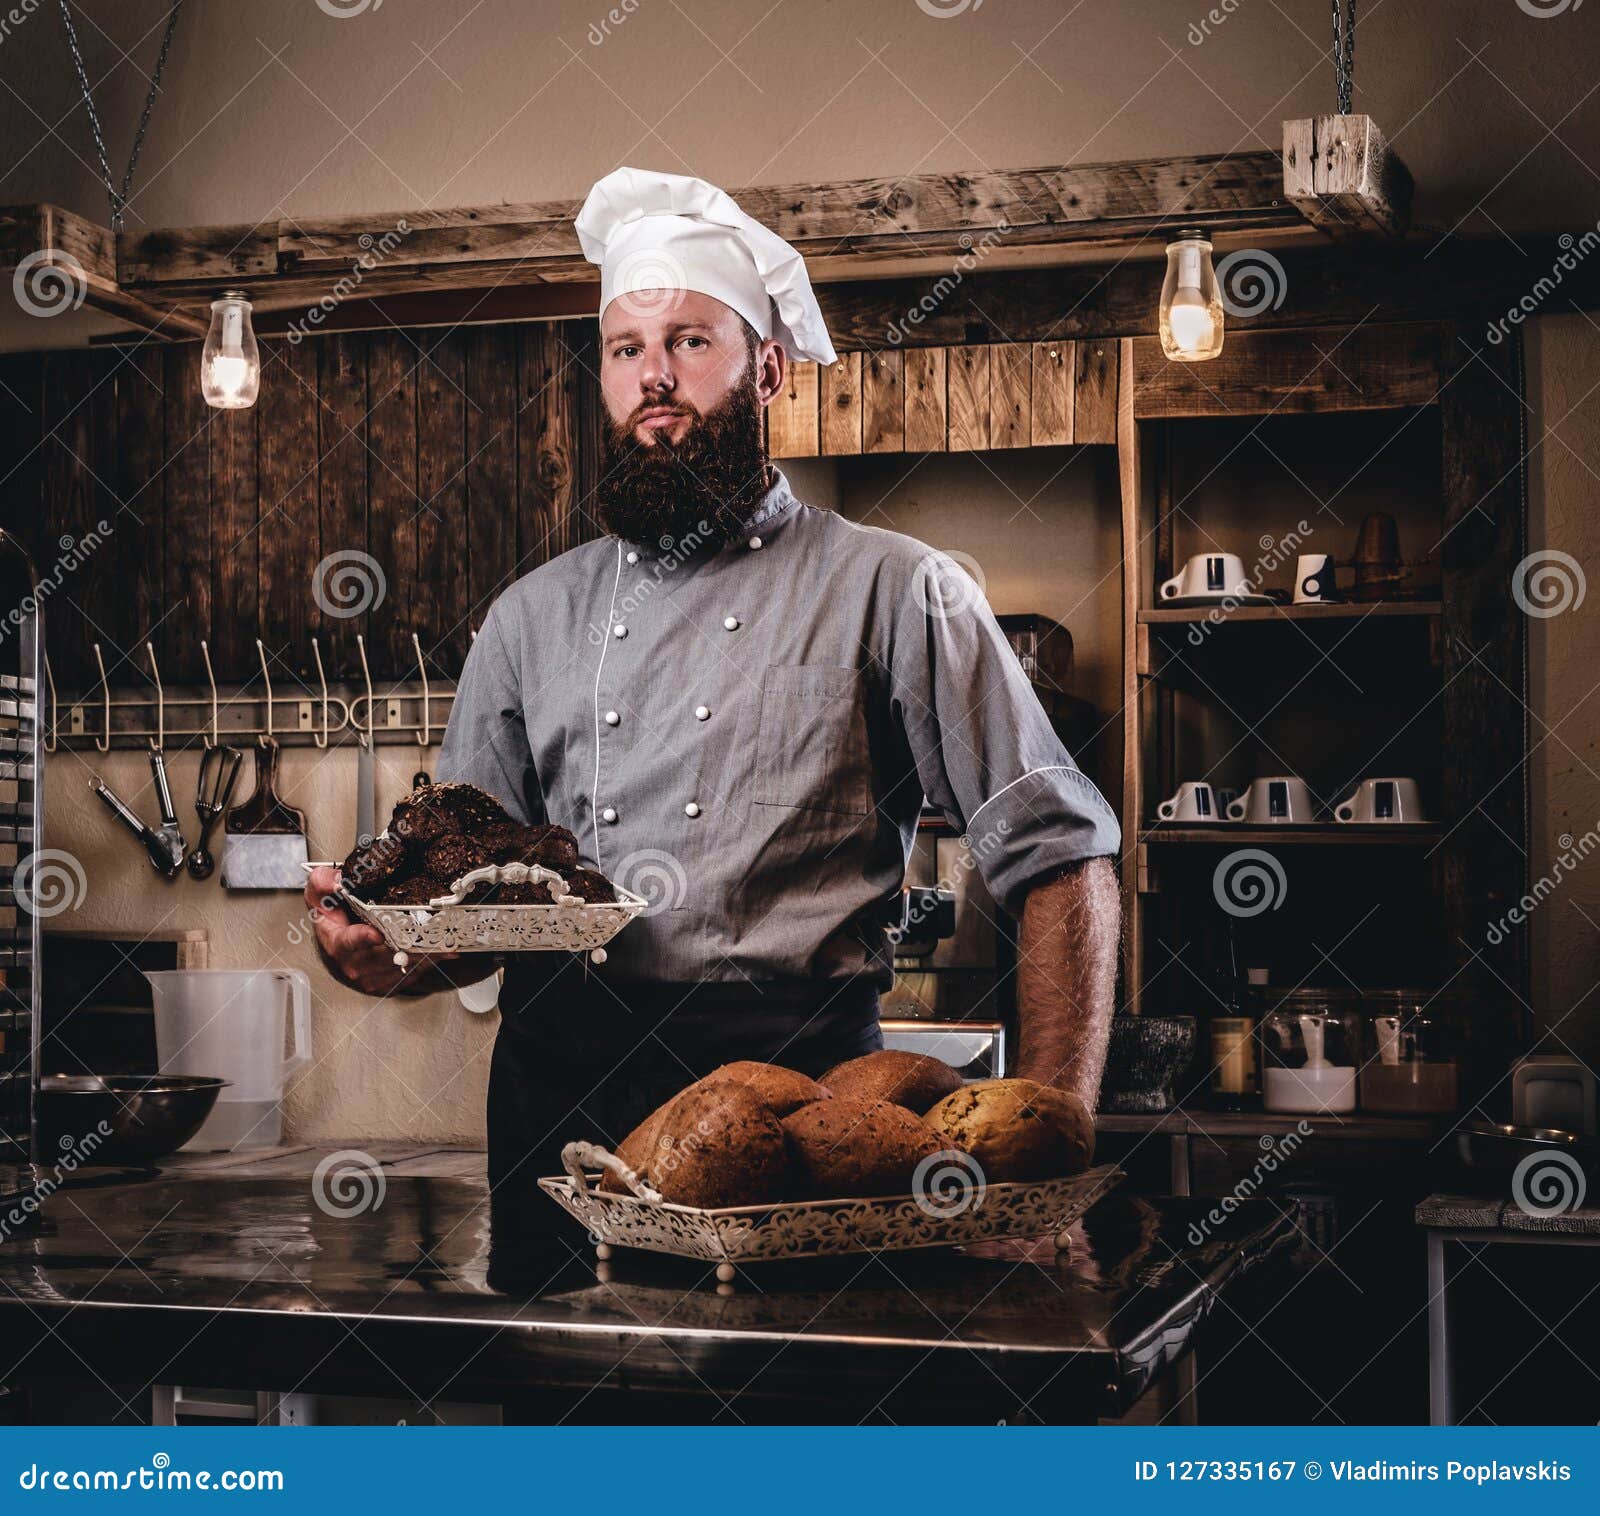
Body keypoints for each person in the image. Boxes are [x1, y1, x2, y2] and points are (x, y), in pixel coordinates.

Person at [307, 167, 1121, 1232]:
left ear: (768, 368)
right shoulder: (528, 618)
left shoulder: (894, 586)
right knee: (562, 1388)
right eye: (626, 348)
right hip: (562, 1104)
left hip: (801, 1112)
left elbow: (1059, 856)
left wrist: (1052, 1131)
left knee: (783, 1392)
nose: (655, 377)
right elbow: (471, 908)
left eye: (690, 340)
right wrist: (391, 955)